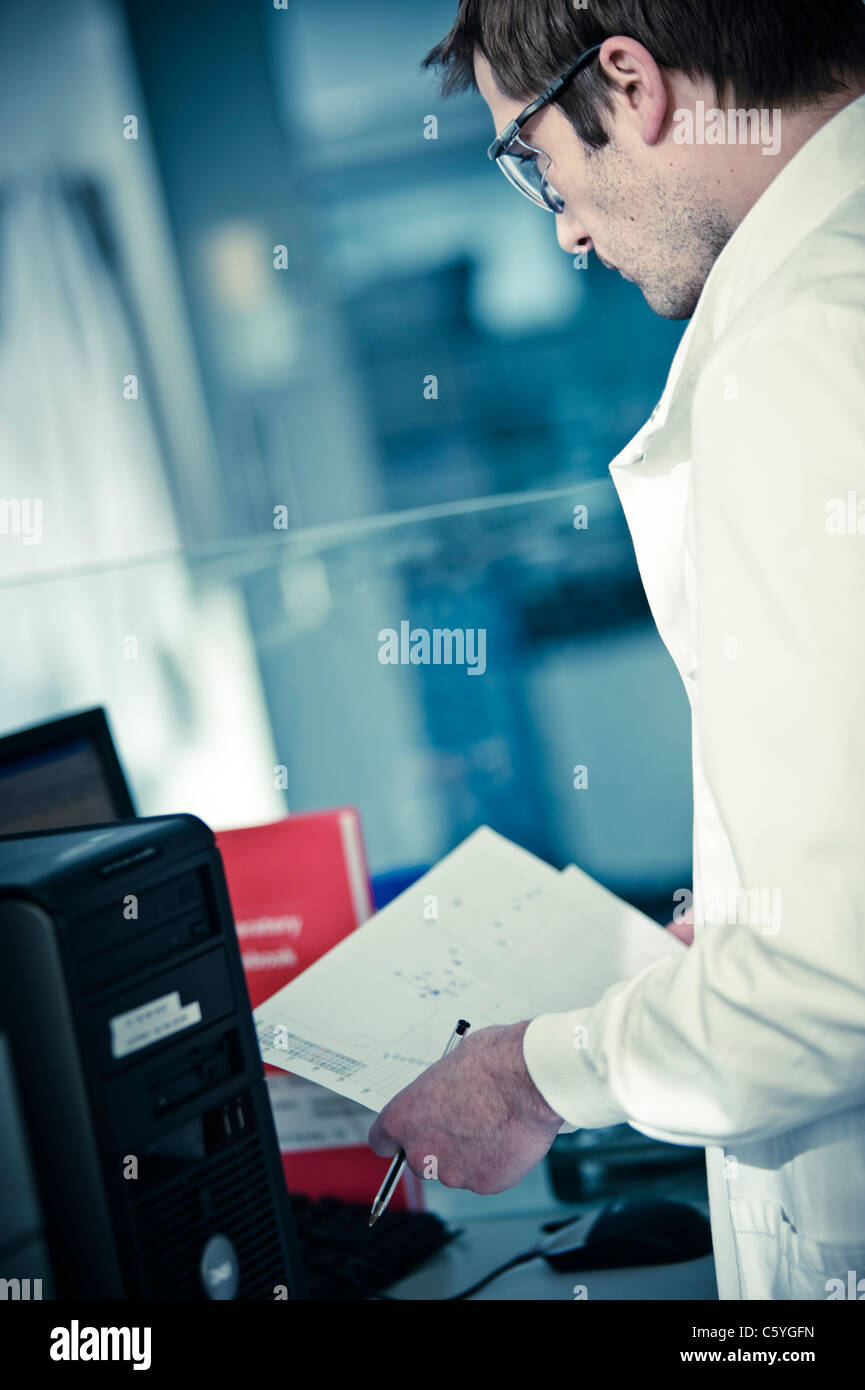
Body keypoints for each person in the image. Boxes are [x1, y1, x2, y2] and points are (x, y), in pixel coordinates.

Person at [368, 0, 865, 1301]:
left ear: (630, 83)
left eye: (535, 160)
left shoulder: (805, 347)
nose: (568, 226)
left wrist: (530, 1070)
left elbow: (832, 985)